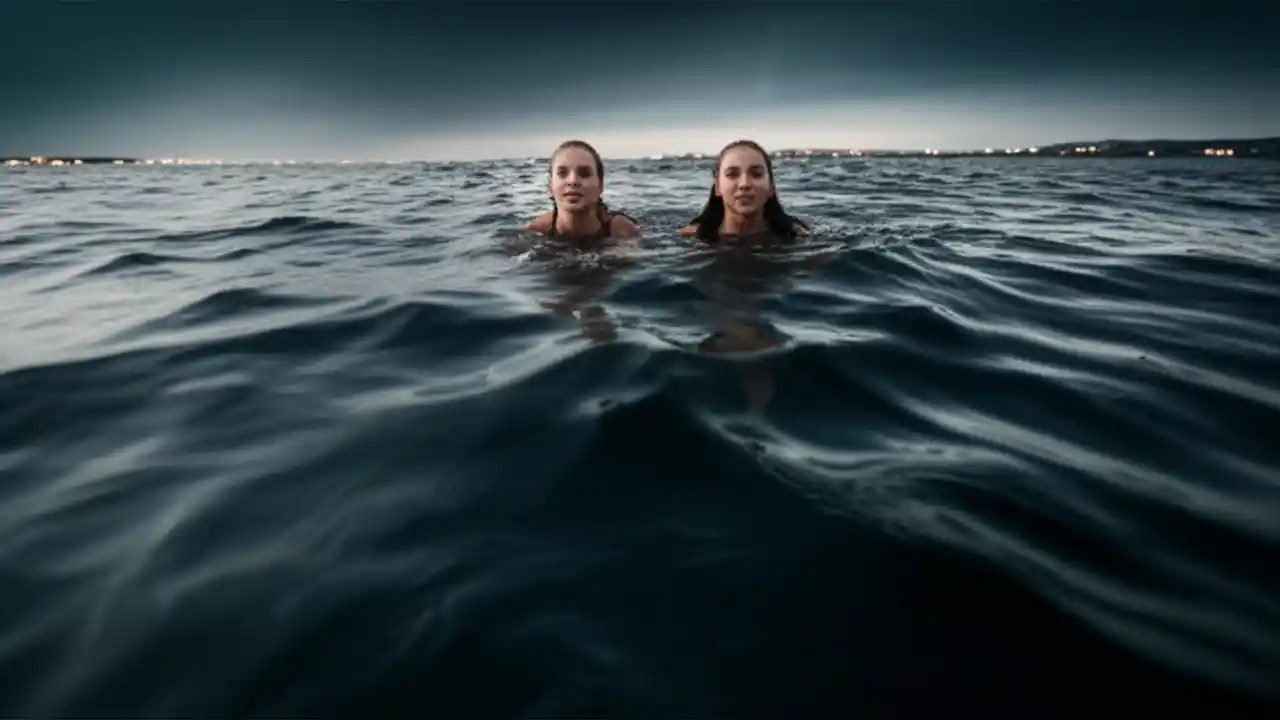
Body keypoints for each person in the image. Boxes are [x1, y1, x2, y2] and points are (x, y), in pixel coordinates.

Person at [678, 139, 808, 242]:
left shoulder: (798, 237)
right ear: (718, 187)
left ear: (771, 187)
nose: (744, 184)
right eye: (732, 174)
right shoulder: (691, 239)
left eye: (756, 174)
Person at [525, 140, 639, 242]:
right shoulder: (536, 231)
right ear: (550, 185)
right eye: (562, 173)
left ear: (600, 184)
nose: (573, 181)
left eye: (584, 173)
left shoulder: (621, 231)